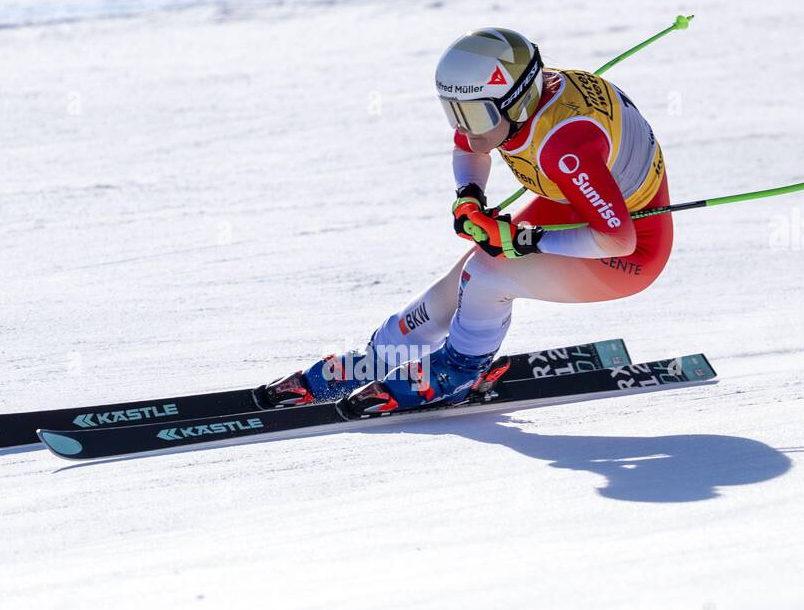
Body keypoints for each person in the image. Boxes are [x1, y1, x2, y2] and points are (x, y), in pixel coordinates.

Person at [264, 26, 674, 412]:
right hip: (573, 202)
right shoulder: (508, 104)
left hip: (629, 249)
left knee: (486, 273)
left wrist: (527, 240)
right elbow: (470, 150)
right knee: (461, 280)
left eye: (474, 116)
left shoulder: (562, 147)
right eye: (454, 111)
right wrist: (469, 196)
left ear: (517, 103)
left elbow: (619, 240)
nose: (464, 128)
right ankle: (380, 356)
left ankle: (460, 371)